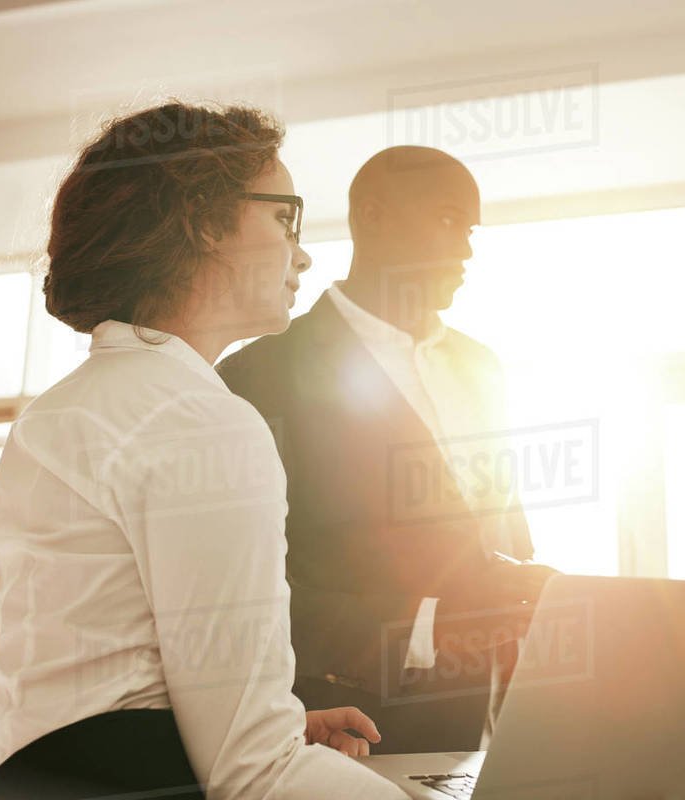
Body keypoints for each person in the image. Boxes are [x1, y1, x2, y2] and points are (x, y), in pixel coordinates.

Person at [0, 103, 408, 799]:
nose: (302, 253)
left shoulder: (55, 414)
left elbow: (82, 693)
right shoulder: (199, 420)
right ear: (204, 221)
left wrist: (272, 722)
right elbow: (254, 773)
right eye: (283, 218)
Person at [216, 146, 559, 754]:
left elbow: (500, 530)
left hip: (489, 735)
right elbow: (243, 594)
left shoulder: (483, 368)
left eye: (471, 230)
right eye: (449, 221)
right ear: (371, 217)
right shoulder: (258, 375)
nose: (466, 250)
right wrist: (426, 626)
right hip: (343, 733)